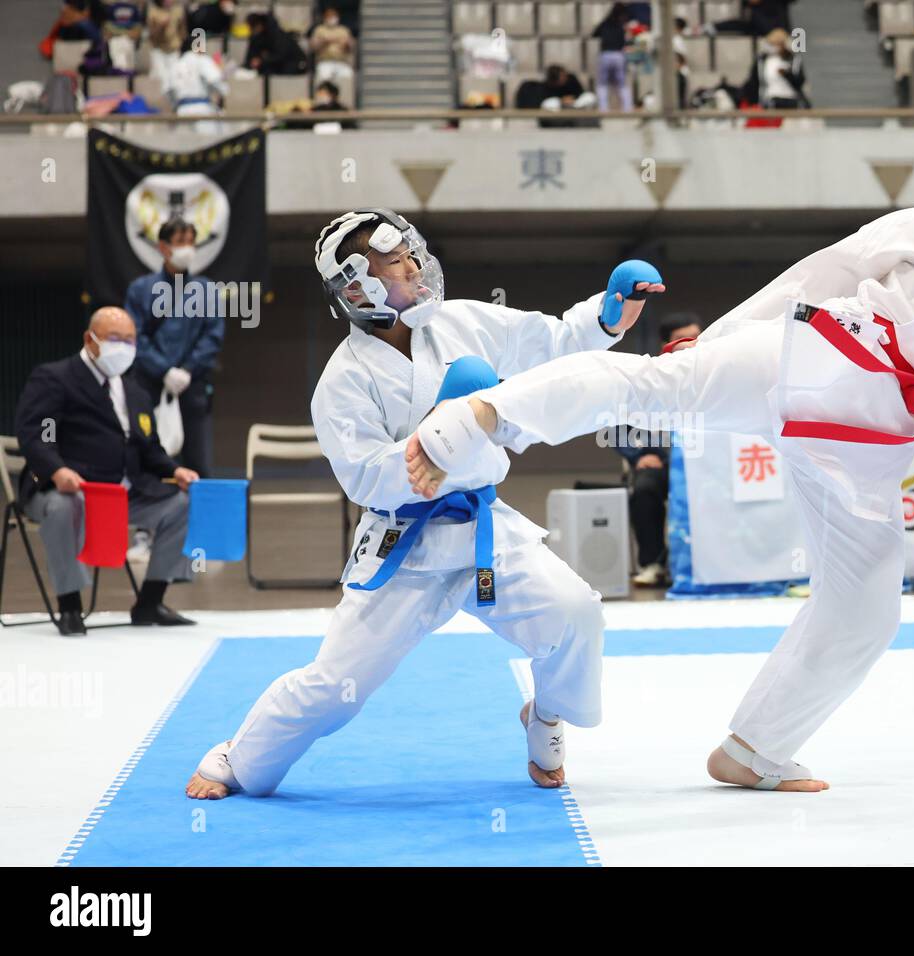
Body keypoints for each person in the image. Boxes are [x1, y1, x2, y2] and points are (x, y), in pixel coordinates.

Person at [408, 110, 914, 792]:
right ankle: (483, 414)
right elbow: (813, 281)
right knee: (653, 385)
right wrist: (720, 340)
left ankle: (757, 747)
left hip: (880, 436)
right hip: (825, 353)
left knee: (867, 609)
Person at [184, 209, 664, 800]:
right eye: (395, 261)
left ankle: (544, 718)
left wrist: (608, 314)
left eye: (412, 254)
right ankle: (239, 758)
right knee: (337, 686)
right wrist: (431, 442)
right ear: (356, 284)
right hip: (403, 545)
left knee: (576, 614)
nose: (413, 267)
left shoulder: (461, 322)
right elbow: (365, 476)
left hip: (484, 527)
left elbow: (553, 343)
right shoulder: (343, 379)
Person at [13, 307, 199, 636]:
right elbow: (39, 436)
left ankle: (150, 602)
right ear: (90, 339)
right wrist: (58, 471)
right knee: (63, 506)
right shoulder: (55, 378)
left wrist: (177, 470)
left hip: (127, 492)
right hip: (72, 490)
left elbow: (151, 450)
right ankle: (69, 605)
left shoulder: (136, 392)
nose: (124, 347)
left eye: (130, 340)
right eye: (115, 339)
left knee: (185, 503)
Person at [124, 217, 225, 478]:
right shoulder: (141, 289)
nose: (187, 248)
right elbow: (134, 337)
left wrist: (188, 370)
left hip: (192, 388)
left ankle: (197, 519)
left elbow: (212, 336)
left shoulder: (207, 290)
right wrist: (164, 370)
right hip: (149, 387)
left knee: (197, 465)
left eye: (191, 242)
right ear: (163, 247)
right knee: (149, 459)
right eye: (181, 242)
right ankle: (154, 517)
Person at [616, 314, 702, 587]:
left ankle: (717, 563)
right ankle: (653, 563)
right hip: (664, 464)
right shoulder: (646, 380)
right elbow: (619, 431)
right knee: (644, 489)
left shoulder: (714, 375)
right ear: (665, 345)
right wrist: (642, 455)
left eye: (696, 339)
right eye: (682, 340)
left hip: (707, 466)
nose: (691, 346)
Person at [160, 46, 227, 134]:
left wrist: (175, 105)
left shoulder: (175, 64)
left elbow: (167, 90)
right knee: (207, 143)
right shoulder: (202, 60)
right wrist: (223, 91)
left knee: (183, 145)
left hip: (182, 110)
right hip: (203, 110)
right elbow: (215, 80)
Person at [743, 28, 808, 110]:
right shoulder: (762, 61)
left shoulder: (794, 59)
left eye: (776, 44)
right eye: (771, 44)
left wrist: (787, 74)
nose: (773, 47)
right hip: (769, 101)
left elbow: (800, 82)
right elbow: (754, 81)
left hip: (791, 100)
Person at [592, 2, 632, 113]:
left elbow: (594, 34)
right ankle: (627, 108)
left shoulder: (605, 23)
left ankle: (603, 108)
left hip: (606, 54)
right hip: (618, 55)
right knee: (622, 83)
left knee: (602, 83)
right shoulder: (622, 25)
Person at [309, 5, 354, 86]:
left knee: (348, 76)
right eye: (329, 17)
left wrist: (346, 44)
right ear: (325, 18)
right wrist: (325, 41)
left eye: (334, 16)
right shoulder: (319, 30)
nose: (332, 19)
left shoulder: (343, 30)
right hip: (325, 62)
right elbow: (313, 46)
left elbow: (350, 47)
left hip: (342, 62)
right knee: (323, 77)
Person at [145, 0, 185, 79]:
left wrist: (180, 42)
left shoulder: (178, 11)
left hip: (174, 50)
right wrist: (160, 27)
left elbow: (182, 30)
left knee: (176, 78)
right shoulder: (153, 12)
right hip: (158, 51)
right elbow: (151, 36)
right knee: (161, 78)